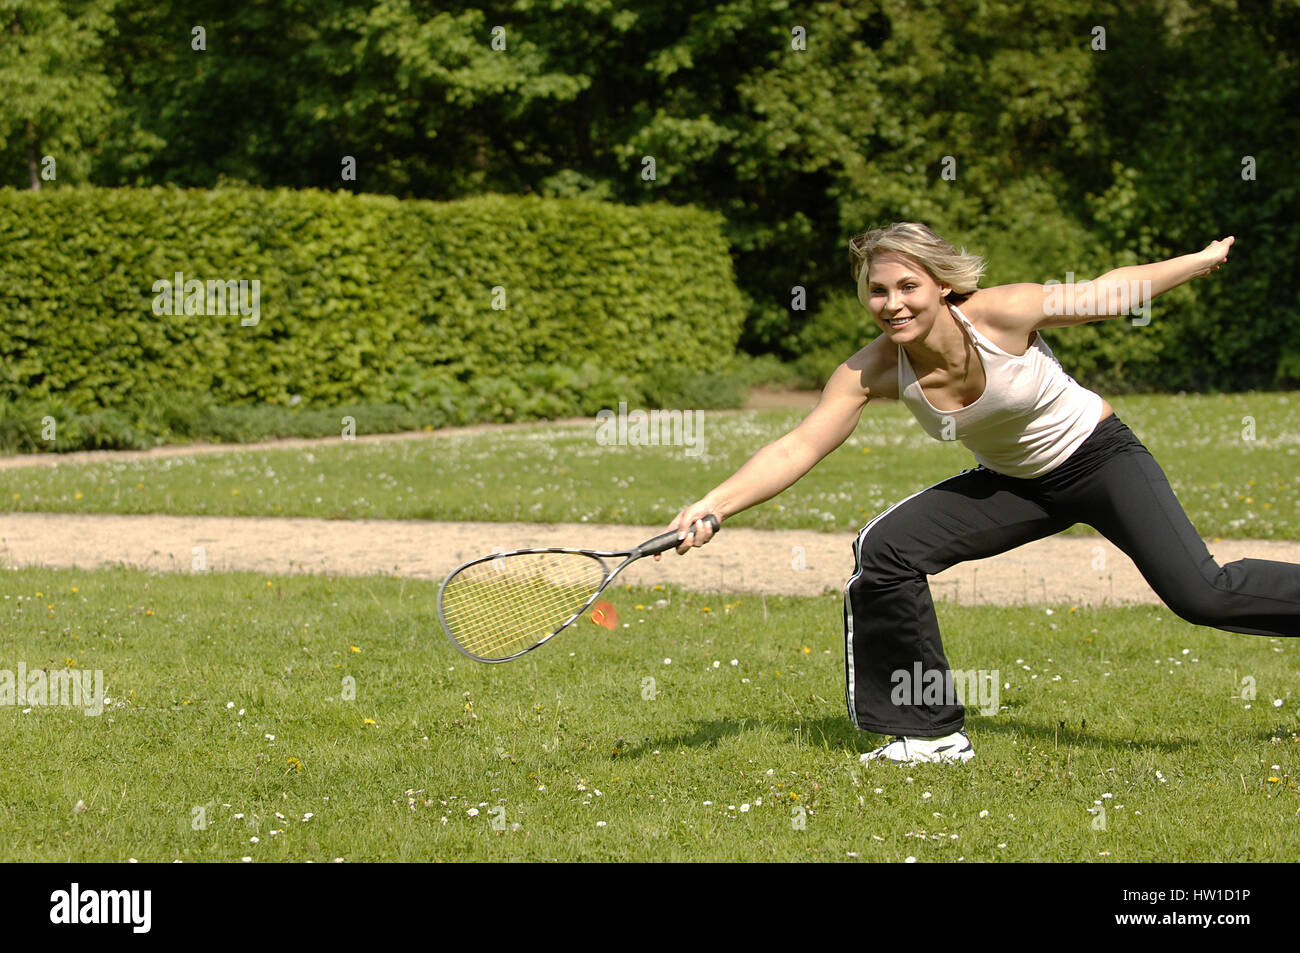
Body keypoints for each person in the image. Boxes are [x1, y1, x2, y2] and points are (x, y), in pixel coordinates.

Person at [661, 221, 1299, 764]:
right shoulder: (872, 370)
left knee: (1202, 594)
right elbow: (798, 445)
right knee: (886, 551)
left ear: (941, 284)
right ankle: (928, 733)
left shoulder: (999, 313)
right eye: (877, 291)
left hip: (1101, 459)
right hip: (1018, 485)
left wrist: (1199, 260)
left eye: (908, 286)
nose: (893, 304)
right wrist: (715, 503)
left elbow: (1111, 294)